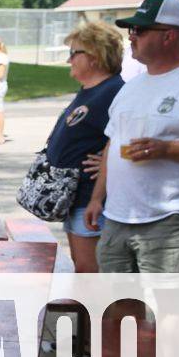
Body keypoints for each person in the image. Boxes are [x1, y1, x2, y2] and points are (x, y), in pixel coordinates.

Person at [86, 0, 179, 275]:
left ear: (168, 36)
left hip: (171, 218)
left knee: (171, 306)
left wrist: (167, 149)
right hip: (118, 217)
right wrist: (97, 198)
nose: (131, 36)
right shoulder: (131, 86)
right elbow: (112, 143)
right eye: (131, 30)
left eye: (140, 30)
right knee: (117, 305)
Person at [44, 22, 124, 273]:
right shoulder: (91, 91)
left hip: (91, 199)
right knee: (82, 267)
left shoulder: (113, 91)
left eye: (74, 53)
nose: (69, 60)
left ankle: (99, 312)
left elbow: (123, 137)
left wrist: (109, 160)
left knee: (89, 272)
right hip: (75, 197)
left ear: (95, 56)